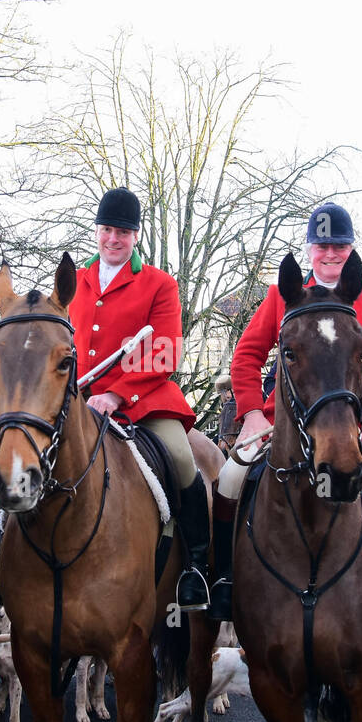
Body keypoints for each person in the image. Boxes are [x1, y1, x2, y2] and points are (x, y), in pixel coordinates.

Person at [213, 202, 362, 628]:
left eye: (339, 246)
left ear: (350, 248)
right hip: (286, 421)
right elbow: (246, 355)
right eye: (322, 246)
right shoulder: (284, 294)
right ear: (310, 249)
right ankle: (223, 582)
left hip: (360, 416)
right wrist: (253, 414)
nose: (330, 254)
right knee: (229, 479)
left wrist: (342, 395)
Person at [66, 187, 210, 611]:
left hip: (143, 400)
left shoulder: (160, 284)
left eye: (123, 232)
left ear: (135, 236)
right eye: (107, 229)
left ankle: (196, 567)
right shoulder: (75, 282)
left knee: (183, 460)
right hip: (81, 402)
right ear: (97, 230)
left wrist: (115, 392)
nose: (114, 239)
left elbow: (164, 351)